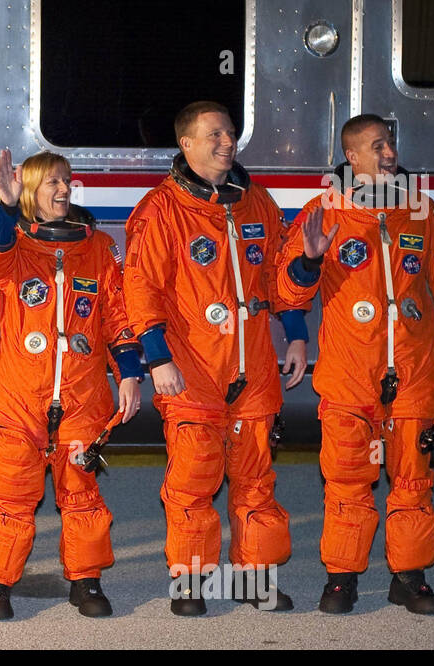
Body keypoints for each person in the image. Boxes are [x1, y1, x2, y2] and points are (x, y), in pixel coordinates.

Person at [280, 114, 434, 615]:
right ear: (351, 157)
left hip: (413, 370)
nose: (389, 152)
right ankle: (341, 579)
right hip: (351, 372)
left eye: (390, 143)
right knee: (349, 479)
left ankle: (409, 578)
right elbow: (287, 292)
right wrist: (309, 261)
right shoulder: (324, 212)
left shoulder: (421, 211)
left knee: (413, 481)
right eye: (376, 145)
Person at [124, 101, 309, 616]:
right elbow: (142, 289)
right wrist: (157, 359)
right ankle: (190, 580)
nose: (227, 142)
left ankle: (253, 578)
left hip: (253, 368)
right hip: (192, 368)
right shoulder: (161, 209)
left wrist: (295, 334)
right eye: (214, 134)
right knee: (192, 482)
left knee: (255, 480)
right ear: (185, 143)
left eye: (230, 132)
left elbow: (279, 277)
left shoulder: (258, 203)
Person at [0, 149, 142, 620]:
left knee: (83, 494)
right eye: (51, 183)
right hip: (19, 399)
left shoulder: (98, 247)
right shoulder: (16, 248)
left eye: (67, 180)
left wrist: (130, 372)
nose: (64, 189)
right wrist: (7, 209)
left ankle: (86, 579)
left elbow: (118, 316)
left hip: (82, 397)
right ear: (30, 192)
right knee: (11, 495)